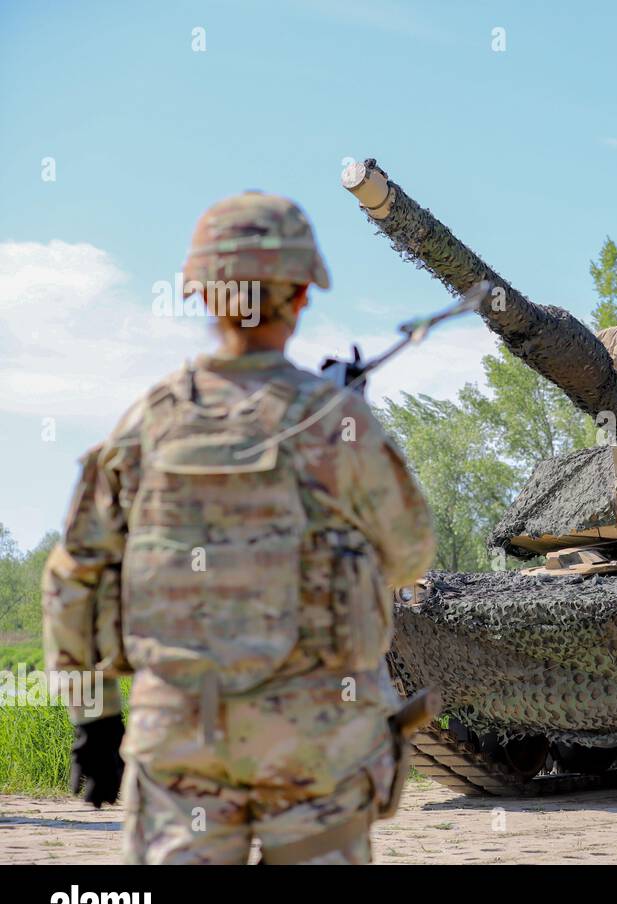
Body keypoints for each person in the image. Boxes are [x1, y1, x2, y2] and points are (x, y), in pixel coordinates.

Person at [41, 191, 436, 864]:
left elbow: (75, 575)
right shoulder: (336, 421)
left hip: (179, 747)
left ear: (199, 294)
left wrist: (95, 719)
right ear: (304, 293)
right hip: (317, 749)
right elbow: (408, 556)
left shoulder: (149, 421)